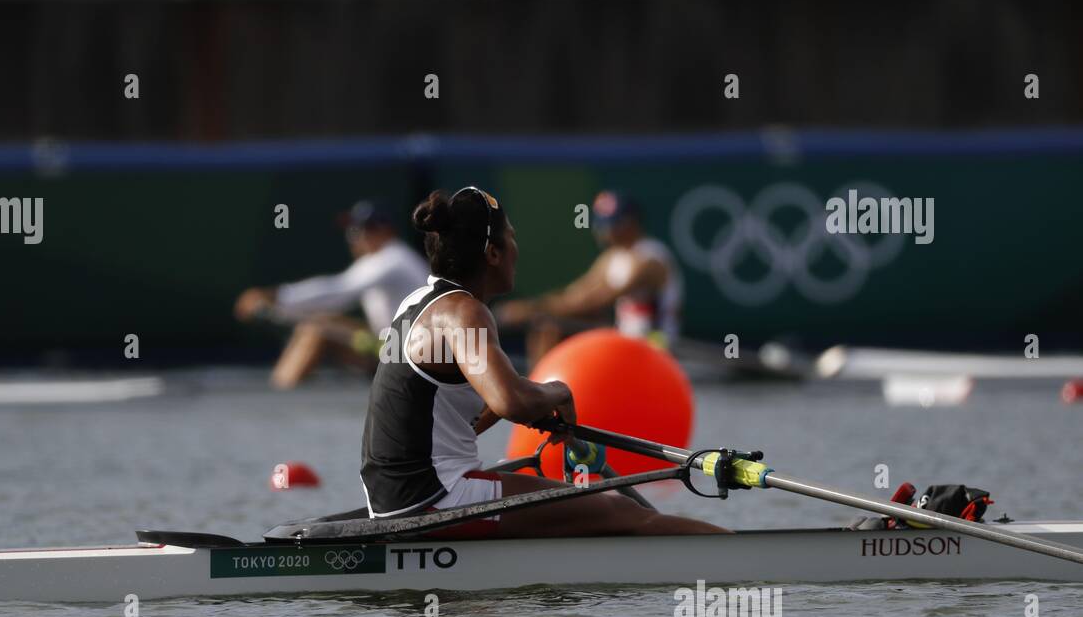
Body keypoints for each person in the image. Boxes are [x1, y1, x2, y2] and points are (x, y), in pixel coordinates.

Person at [359, 187, 726, 539]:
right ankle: (748, 562)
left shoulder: (416, 302)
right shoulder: (464, 311)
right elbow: (512, 402)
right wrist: (558, 392)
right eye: (512, 237)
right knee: (625, 512)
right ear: (493, 253)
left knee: (581, 514)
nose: (518, 248)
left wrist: (528, 401)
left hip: (393, 501)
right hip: (435, 499)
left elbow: (454, 423)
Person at [234, 200, 428, 389]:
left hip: (405, 354)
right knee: (318, 323)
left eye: (361, 230)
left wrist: (273, 296)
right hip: (390, 346)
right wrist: (278, 308)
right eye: (352, 231)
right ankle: (280, 387)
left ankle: (278, 396)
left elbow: (337, 293)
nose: (354, 238)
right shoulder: (387, 258)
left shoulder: (391, 259)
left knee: (318, 329)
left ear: (384, 230)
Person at [495, 190, 684, 367]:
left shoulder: (649, 260)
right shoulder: (612, 258)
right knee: (548, 326)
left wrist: (528, 310)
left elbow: (595, 301)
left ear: (631, 223)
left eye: (611, 225)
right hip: (625, 339)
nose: (603, 231)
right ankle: (540, 388)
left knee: (552, 320)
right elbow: (576, 294)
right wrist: (535, 309)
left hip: (657, 343)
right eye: (602, 224)